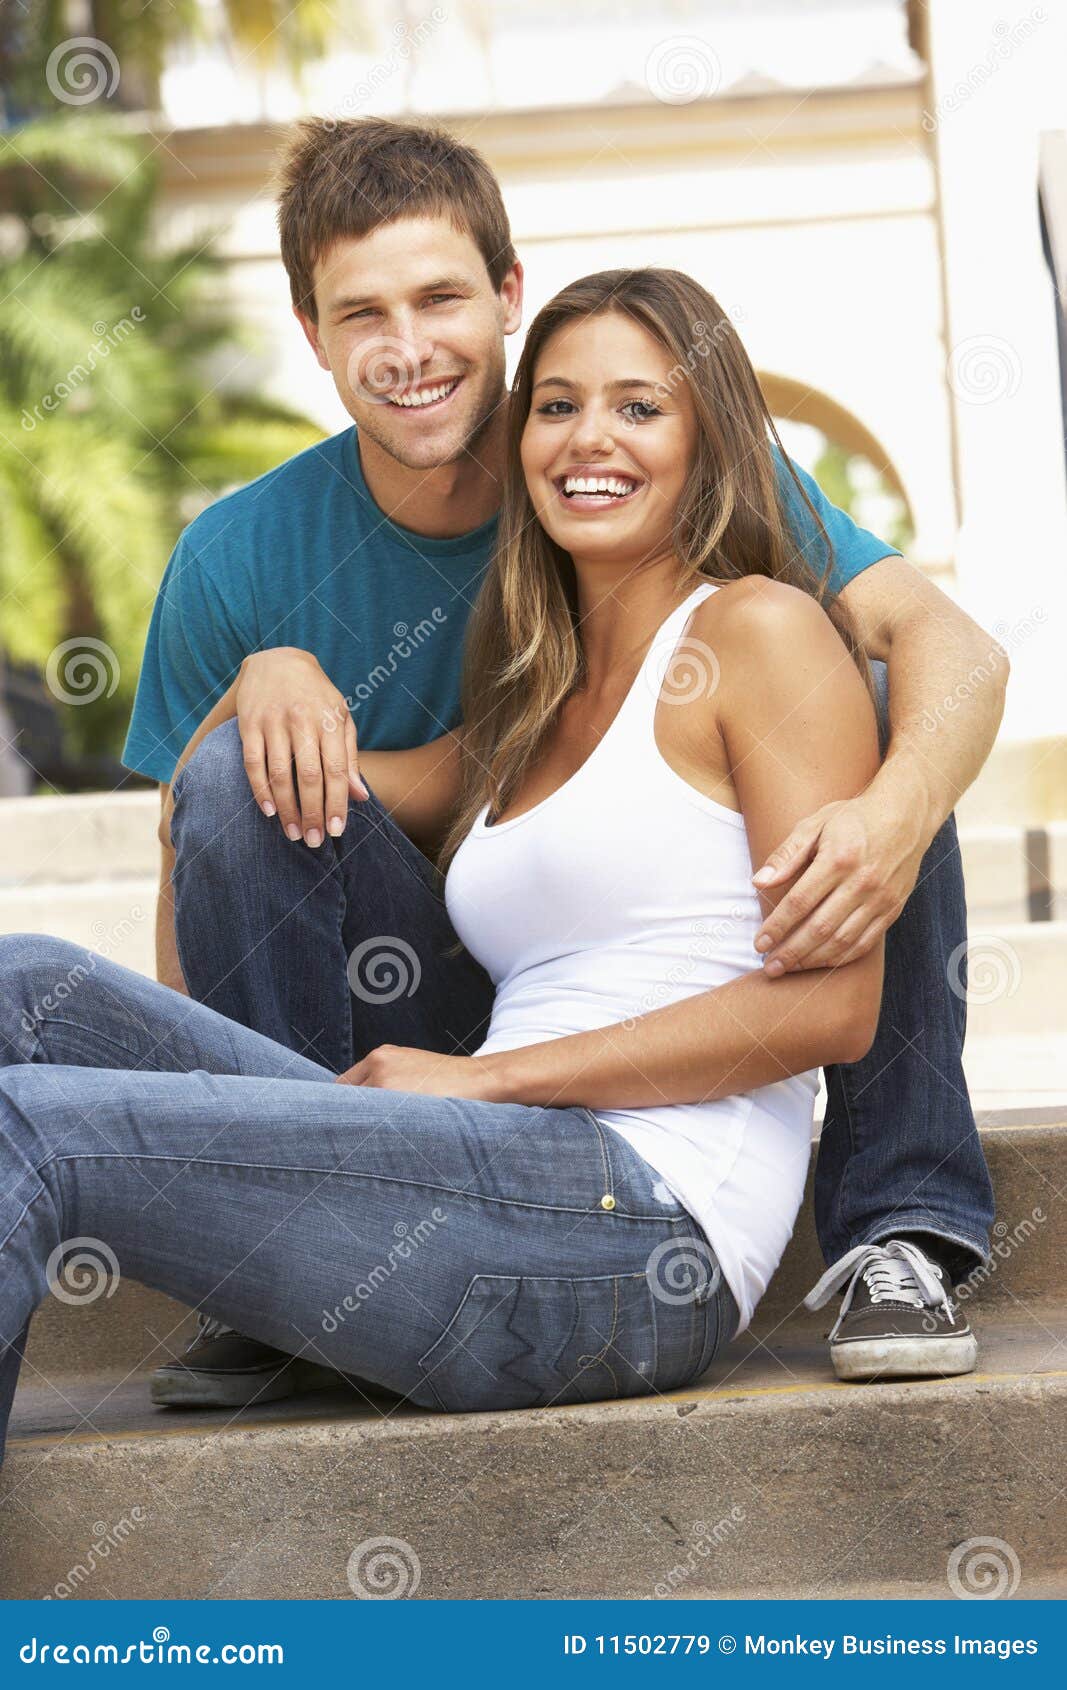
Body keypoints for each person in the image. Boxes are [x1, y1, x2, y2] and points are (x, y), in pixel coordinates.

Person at [120, 119, 1000, 1405]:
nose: (407, 348)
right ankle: (277, 1261)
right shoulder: (242, 557)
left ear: (506, 295)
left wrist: (890, 813)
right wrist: (268, 681)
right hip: (425, 992)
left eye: (439, 298)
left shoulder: (623, 465)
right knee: (224, 778)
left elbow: (949, 647)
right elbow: (189, 850)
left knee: (873, 699)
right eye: (360, 312)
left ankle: (900, 1221)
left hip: (632, 982)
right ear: (311, 334)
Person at [1, 265, 902, 1461]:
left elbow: (835, 1007)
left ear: (708, 437)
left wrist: (491, 1078)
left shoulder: (758, 632)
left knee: (30, 1127)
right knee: (21, 987)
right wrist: (268, 671)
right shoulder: (529, 693)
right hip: (496, 1182)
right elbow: (242, 790)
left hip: (635, 1229)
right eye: (558, 405)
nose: (590, 438)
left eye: (639, 407)